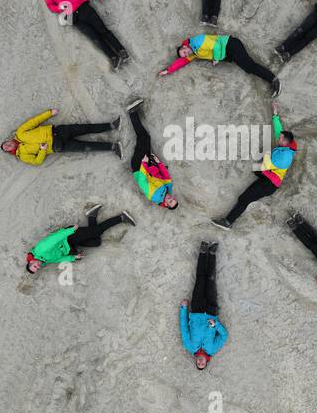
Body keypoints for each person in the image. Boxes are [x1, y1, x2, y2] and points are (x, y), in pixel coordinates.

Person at [211, 101, 297, 228]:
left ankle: (228, 222)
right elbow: (279, 130)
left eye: (280, 138)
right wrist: (275, 115)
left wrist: (267, 153)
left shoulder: (285, 156)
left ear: (284, 142)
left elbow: (266, 165)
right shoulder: (287, 145)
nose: (278, 138)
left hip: (269, 183)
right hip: (269, 175)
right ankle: (258, 172)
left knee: (244, 198)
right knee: (257, 169)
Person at [38, 0, 129, 69]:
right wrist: (61, 8)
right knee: (95, 38)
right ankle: (113, 57)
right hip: (72, 17)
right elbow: (50, 6)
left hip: (84, 8)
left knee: (102, 30)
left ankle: (121, 50)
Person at [157, 33, 280, 96]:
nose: (186, 54)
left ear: (185, 46)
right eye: (185, 54)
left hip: (231, 45)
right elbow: (181, 62)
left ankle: (273, 79)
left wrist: (216, 59)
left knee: (250, 66)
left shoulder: (198, 41)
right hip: (229, 53)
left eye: (184, 52)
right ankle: (271, 79)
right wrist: (168, 71)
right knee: (248, 68)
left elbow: (215, 45)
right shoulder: (194, 51)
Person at [25, 206, 135, 274]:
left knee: (96, 231)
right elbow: (59, 259)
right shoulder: (44, 261)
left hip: (67, 237)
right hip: (70, 246)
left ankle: (121, 218)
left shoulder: (40, 250)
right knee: (96, 242)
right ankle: (91, 216)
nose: (38, 266)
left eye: (35, 266)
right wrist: (73, 257)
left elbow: (54, 239)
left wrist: (70, 230)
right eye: (37, 269)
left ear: (31, 261)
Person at [2, 108, 120, 165]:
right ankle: (112, 147)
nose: (8, 145)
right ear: (9, 151)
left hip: (57, 131)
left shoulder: (20, 132)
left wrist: (49, 113)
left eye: (6, 144)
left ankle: (111, 126)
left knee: (86, 128)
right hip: (57, 146)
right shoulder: (22, 156)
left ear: (8, 140)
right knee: (86, 147)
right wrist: (42, 151)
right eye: (7, 148)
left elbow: (34, 121)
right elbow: (37, 161)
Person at [179, 241, 228, 370]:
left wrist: (183, 309)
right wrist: (215, 325)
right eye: (203, 364)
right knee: (211, 280)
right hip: (211, 311)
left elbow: (184, 327)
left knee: (201, 279)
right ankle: (212, 254)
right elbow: (224, 336)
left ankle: (203, 252)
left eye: (198, 364)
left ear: (195, 361)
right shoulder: (212, 349)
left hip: (197, 309)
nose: (200, 363)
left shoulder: (189, 346)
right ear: (206, 362)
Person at [125, 98, 178, 209]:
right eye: (173, 199)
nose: (171, 198)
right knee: (145, 138)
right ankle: (133, 113)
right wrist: (158, 163)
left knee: (143, 138)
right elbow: (166, 176)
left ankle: (132, 113)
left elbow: (141, 181)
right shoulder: (169, 189)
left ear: (166, 204)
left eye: (170, 201)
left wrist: (143, 164)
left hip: (139, 167)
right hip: (150, 163)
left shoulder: (154, 196)